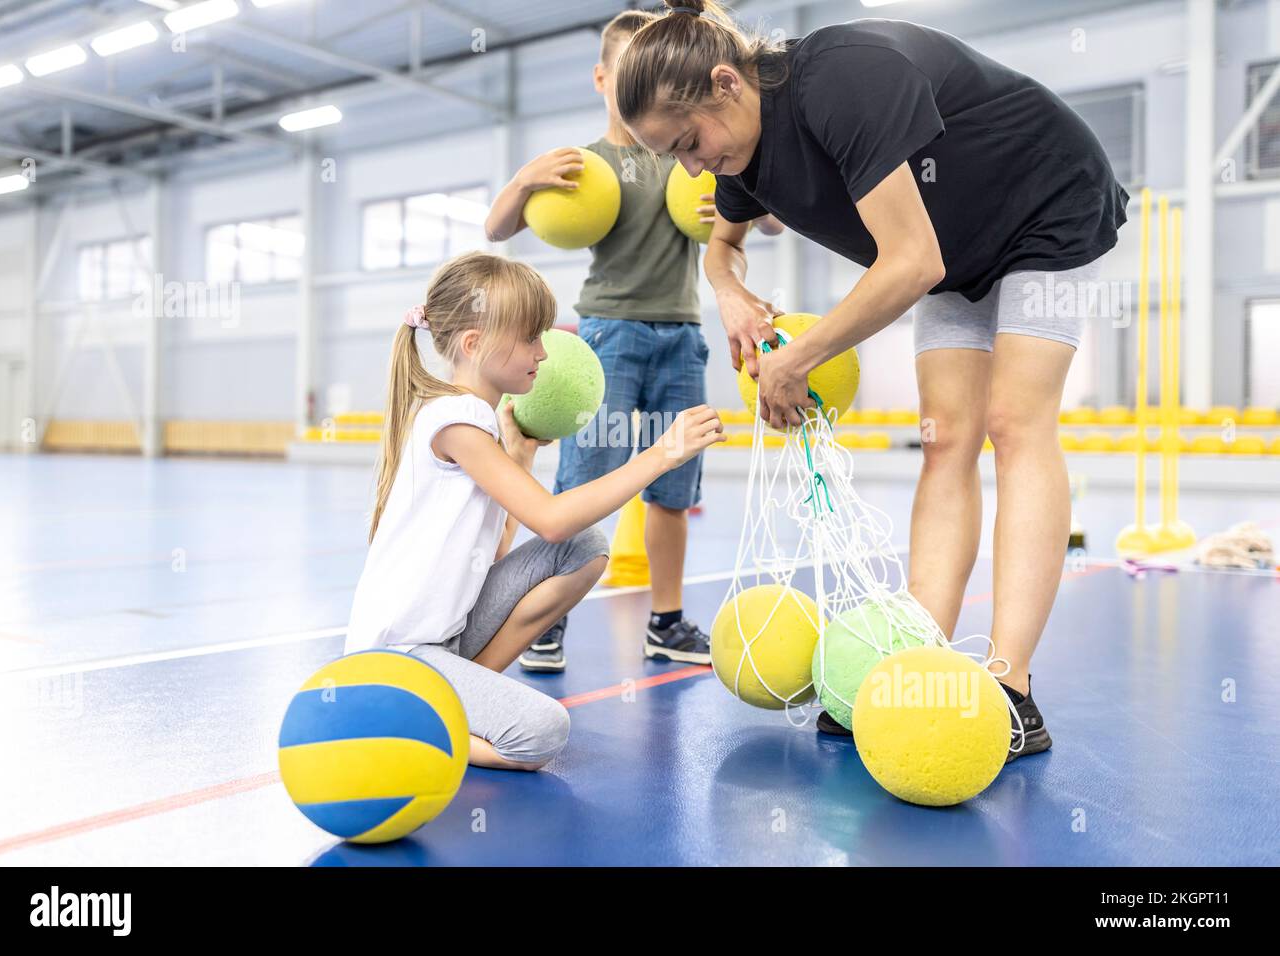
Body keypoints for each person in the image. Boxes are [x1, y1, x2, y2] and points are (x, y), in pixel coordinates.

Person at [615, 1, 1130, 759]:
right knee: (945, 436)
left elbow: (911, 261)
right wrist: (730, 293)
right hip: (955, 248)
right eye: (673, 156)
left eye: (688, 142)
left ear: (725, 82)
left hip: (1047, 199)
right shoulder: (741, 157)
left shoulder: (839, 78)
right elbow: (719, 250)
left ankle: (1009, 687)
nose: (690, 167)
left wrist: (797, 357)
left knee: (1014, 423)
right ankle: (916, 667)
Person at [344, 251, 725, 770]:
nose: (543, 353)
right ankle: (414, 726)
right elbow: (551, 517)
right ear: (474, 344)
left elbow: (496, 549)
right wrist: (662, 454)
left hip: (447, 638)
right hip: (400, 656)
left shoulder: (472, 417)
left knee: (583, 549)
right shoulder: (455, 419)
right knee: (541, 734)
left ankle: (456, 689)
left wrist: (519, 454)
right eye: (530, 338)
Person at [484, 11, 783, 673]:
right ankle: (544, 619)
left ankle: (667, 623)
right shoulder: (585, 164)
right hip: (608, 337)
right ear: (603, 79)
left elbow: (771, 227)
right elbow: (498, 229)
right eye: (625, 77)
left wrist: (746, 211)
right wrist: (524, 179)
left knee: (674, 489)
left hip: (681, 336)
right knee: (583, 481)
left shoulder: (695, 153)